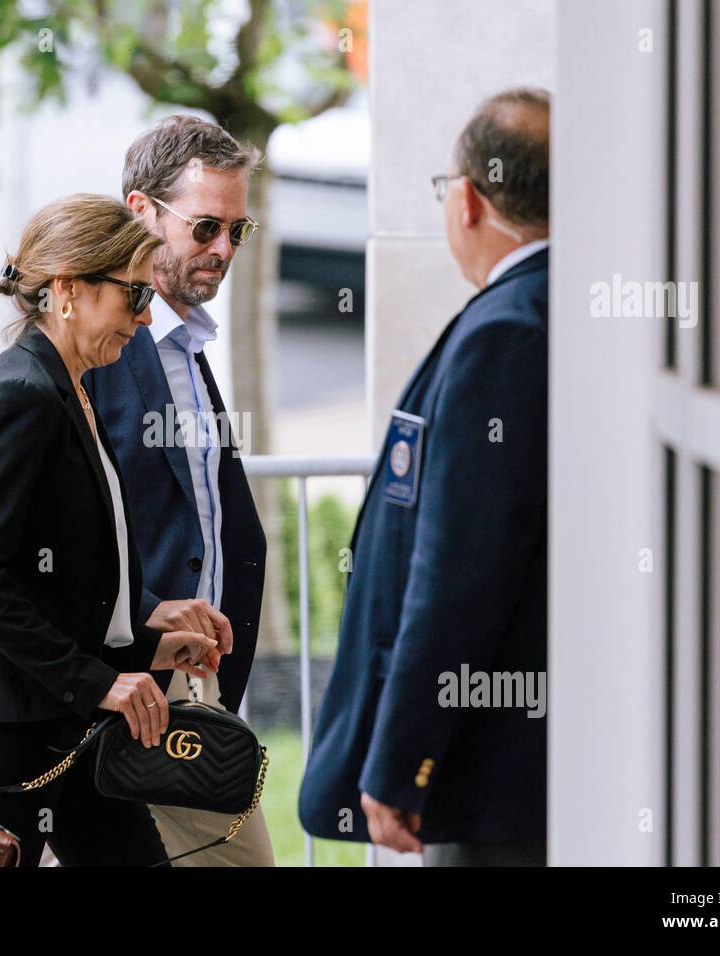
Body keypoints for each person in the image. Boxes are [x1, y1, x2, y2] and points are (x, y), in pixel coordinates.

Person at [298, 87, 551, 866]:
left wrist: (403, 761)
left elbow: (457, 574)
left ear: (469, 200)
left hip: (494, 773)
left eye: (447, 188)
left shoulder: (507, 331)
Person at [0, 194, 221, 867]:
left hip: (67, 723)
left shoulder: (69, 389)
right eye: (132, 295)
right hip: (15, 732)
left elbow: (65, 580)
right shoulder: (20, 396)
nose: (146, 315)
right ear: (67, 292)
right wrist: (98, 682)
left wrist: (145, 651)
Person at [83, 115, 275, 867]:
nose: (223, 249)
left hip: (194, 689)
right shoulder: (99, 346)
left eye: (238, 229)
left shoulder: (187, 343)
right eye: (205, 227)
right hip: (136, 694)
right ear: (141, 211)